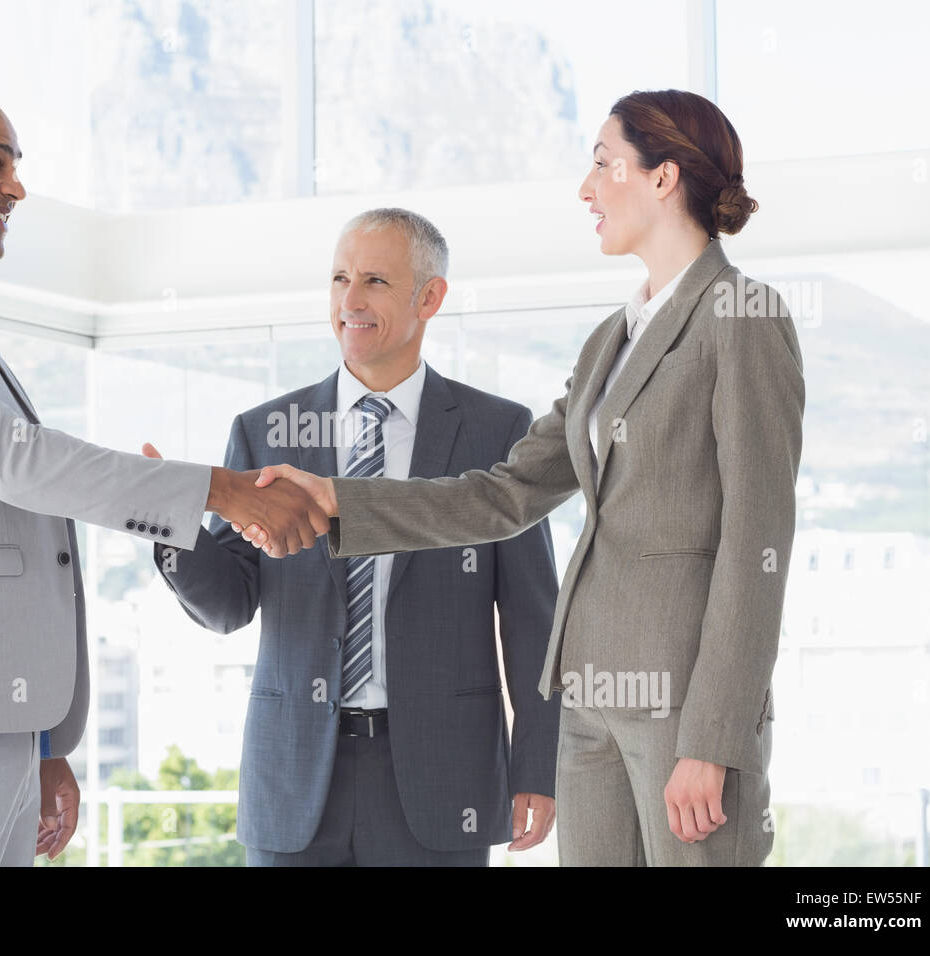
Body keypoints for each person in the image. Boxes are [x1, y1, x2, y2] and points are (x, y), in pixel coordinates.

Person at [242, 89, 805, 866]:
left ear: (664, 178)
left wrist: (716, 736)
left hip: (683, 707)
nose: (586, 188)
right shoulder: (612, 338)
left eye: (605, 164)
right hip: (589, 703)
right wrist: (342, 497)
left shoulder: (740, 314)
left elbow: (758, 542)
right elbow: (502, 494)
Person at [0, 85, 328, 866]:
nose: (16, 186)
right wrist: (221, 490)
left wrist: (45, 740)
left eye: (16, 165)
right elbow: (14, 462)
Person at [144, 209, 562, 865]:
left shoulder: (496, 431)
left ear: (431, 297)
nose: (350, 301)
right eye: (339, 279)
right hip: (294, 779)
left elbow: (535, 618)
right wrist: (168, 517)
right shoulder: (267, 431)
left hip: (443, 780)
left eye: (374, 281)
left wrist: (538, 765)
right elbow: (229, 603)